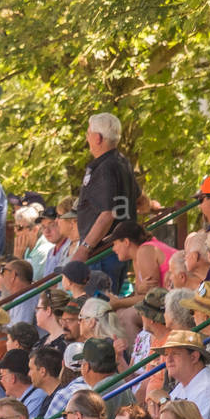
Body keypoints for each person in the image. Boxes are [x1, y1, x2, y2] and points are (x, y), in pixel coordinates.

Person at [71, 112, 139, 292]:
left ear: (98, 138)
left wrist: (84, 248)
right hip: (115, 248)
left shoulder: (105, 167)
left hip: (102, 251)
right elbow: (140, 199)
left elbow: (107, 213)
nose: (86, 138)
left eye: (88, 133)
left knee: (97, 308)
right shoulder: (122, 162)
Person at [163, 329, 210, 419]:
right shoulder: (183, 384)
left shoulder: (208, 387)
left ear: (194, 357)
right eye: (167, 354)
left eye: (175, 353)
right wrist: (160, 400)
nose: (169, 359)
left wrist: (161, 402)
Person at [107, 220, 175, 302]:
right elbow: (140, 294)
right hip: (170, 302)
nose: (113, 249)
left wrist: (118, 303)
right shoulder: (136, 258)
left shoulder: (145, 251)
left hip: (177, 303)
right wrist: (138, 290)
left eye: (115, 243)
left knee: (122, 313)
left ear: (126, 242)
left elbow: (154, 297)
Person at [0, 349, 45, 419]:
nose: (1, 380)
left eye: (1, 375)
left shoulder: (37, 397)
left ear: (12, 378)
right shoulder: (23, 398)